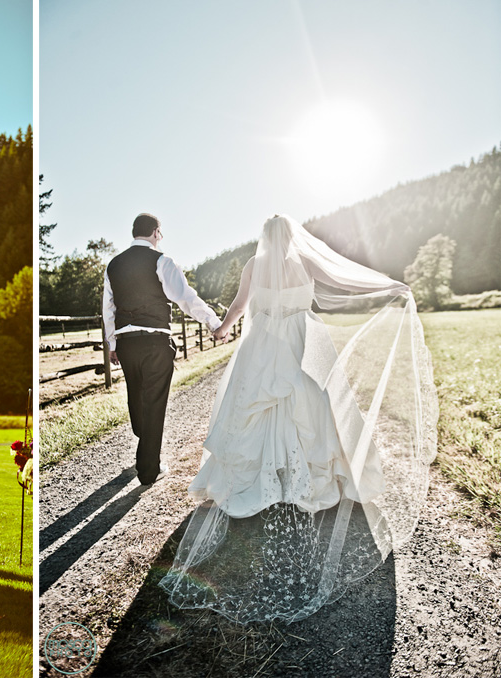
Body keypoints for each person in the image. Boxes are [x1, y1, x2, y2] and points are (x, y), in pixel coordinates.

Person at [159, 214, 438, 623]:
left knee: (258, 407)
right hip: (305, 342)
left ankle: (262, 482)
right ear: (292, 238)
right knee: (315, 409)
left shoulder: (254, 266)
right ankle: (313, 479)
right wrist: (392, 286)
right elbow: (344, 281)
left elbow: (239, 307)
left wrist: (221, 330)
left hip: (263, 343)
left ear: (264, 239)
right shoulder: (304, 264)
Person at [102, 213, 222, 485]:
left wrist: (112, 343)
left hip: (127, 343)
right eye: (161, 233)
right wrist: (213, 322)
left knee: (137, 397)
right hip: (156, 341)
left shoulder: (114, 265)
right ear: (156, 232)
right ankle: (148, 471)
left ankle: (147, 455)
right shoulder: (162, 261)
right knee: (153, 404)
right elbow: (186, 298)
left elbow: (108, 308)